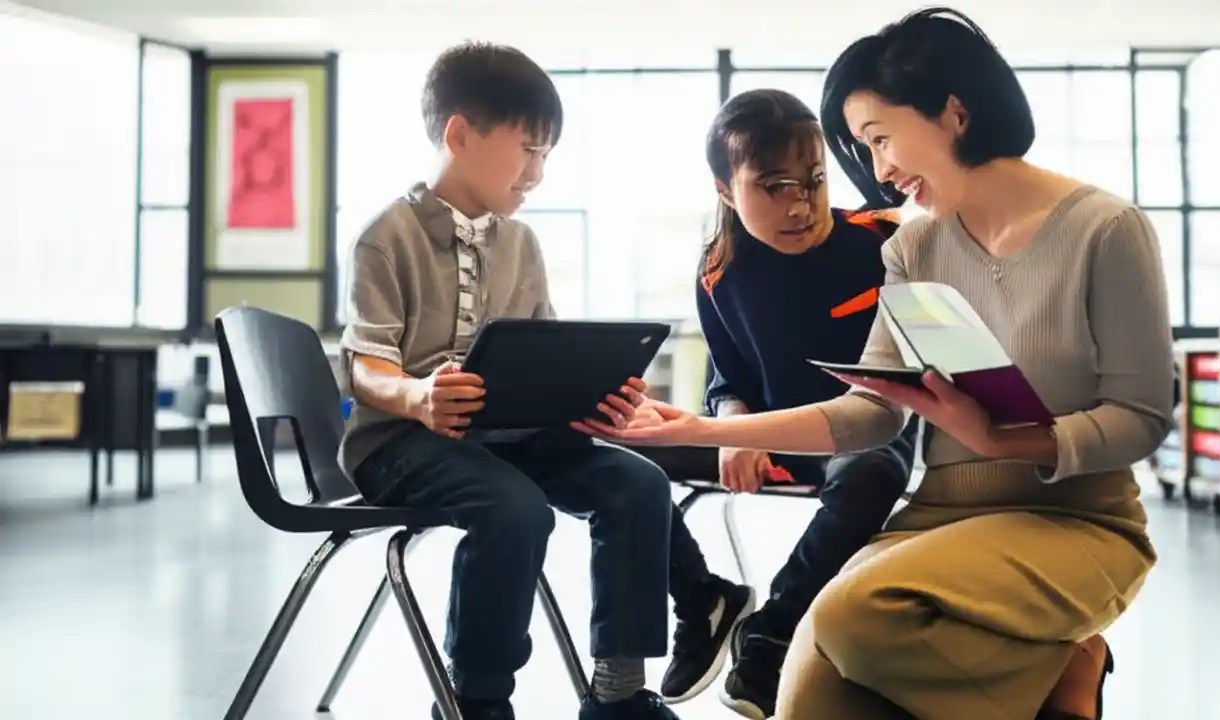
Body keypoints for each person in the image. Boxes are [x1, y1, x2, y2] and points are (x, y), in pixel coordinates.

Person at [575, 8, 1173, 720]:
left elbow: (1139, 419)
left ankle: (1069, 658)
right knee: (809, 695)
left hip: (1076, 517)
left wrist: (1006, 441)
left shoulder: (1106, 230)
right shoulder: (915, 251)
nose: (881, 172)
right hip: (941, 515)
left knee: (849, 620)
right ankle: (1059, 664)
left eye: (880, 140)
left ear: (954, 113)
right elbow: (871, 413)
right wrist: (690, 432)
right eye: (866, 147)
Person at [338, 42, 681, 720]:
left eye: (546, 156)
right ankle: (477, 700)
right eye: (528, 150)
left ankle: (618, 693)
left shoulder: (521, 244)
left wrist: (589, 395)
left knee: (638, 483)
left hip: (505, 437)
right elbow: (364, 364)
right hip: (400, 444)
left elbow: (542, 349)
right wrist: (418, 396)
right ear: (460, 135)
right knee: (513, 507)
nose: (537, 174)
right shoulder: (388, 235)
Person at [650, 88, 918, 720]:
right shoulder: (718, 270)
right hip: (772, 438)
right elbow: (728, 376)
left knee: (874, 468)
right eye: (774, 187)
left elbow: (906, 384)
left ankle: (771, 629)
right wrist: (735, 429)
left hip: (863, 438)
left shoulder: (882, 244)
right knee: (612, 464)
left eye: (814, 181)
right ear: (725, 190)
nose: (801, 205)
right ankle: (704, 604)